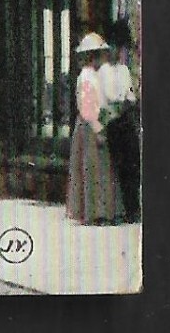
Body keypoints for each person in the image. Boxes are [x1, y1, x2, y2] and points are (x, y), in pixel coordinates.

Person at [67, 33, 125, 225]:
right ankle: (95, 212)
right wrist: (98, 129)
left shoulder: (94, 75)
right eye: (100, 54)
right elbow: (88, 107)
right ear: (93, 56)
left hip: (94, 123)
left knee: (100, 167)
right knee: (93, 168)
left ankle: (101, 211)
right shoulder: (86, 77)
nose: (103, 58)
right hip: (89, 125)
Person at [99, 21, 140, 223]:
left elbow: (130, 95)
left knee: (133, 163)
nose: (119, 52)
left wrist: (128, 102)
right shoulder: (104, 71)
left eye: (122, 48)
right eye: (116, 47)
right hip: (112, 120)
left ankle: (134, 208)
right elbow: (108, 97)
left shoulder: (124, 70)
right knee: (118, 163)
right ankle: (120, 208)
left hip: (125, 118)